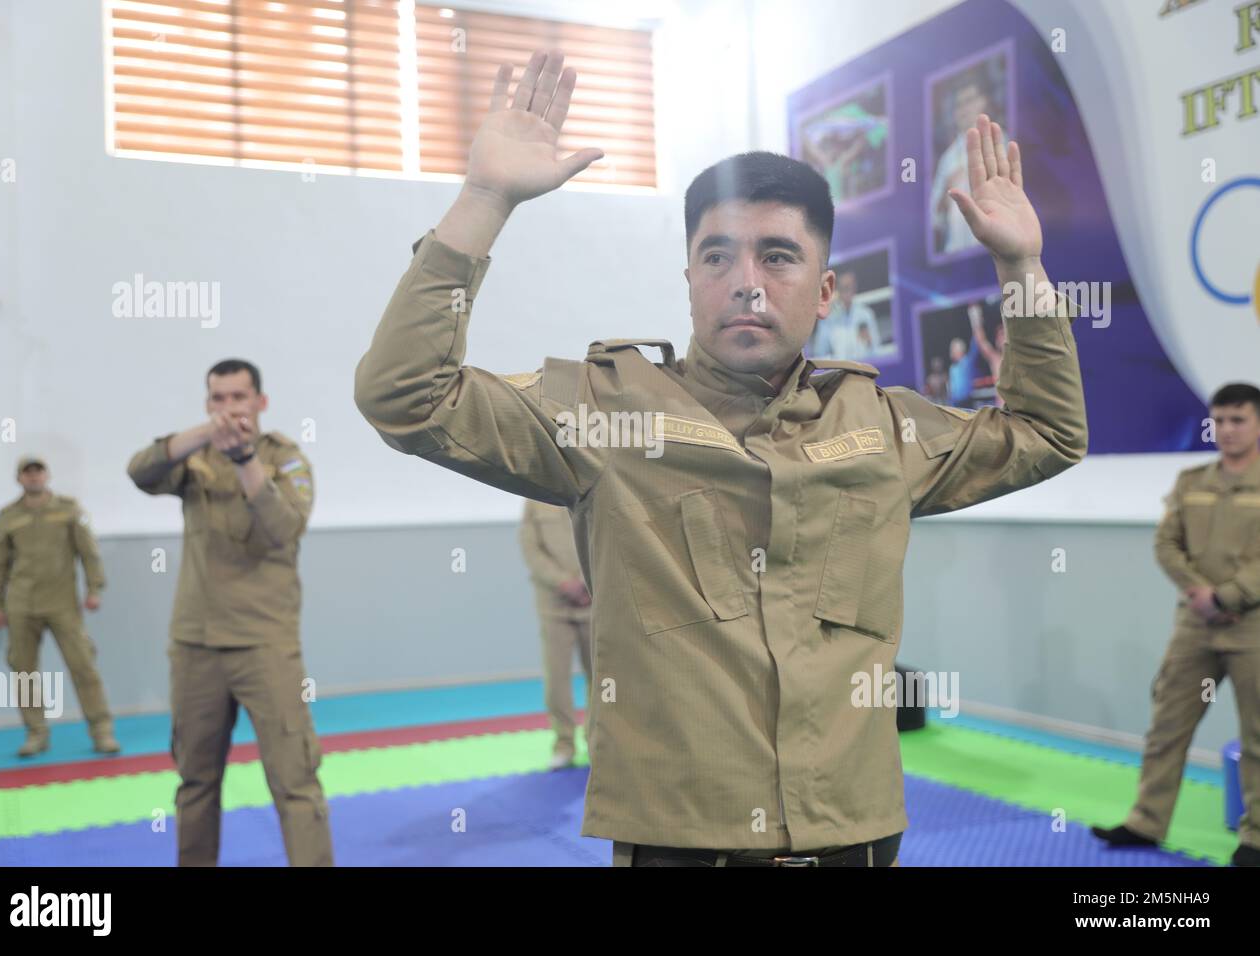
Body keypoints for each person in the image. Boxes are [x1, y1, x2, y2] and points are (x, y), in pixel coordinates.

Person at [354, 49, 1087, 867]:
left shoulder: (883, 427)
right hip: (679, 842)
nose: (746, 283)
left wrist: (1021, 267)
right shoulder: (602, 412)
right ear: (690, 279)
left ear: (825, 289)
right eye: (717, 257)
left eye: (777, 256)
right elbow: (405, 396)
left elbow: (1047, 434)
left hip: (855, 834)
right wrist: (484, 201)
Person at [127, 359, 333, 867]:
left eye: (238, 398)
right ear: (207, 404)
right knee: (195, 782)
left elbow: (284, 529)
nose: (228, 408)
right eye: (217, 399)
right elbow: (140, 471)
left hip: (266, 644)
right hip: (196, 643)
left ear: (260, 402)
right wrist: (206, 436)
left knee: (295, 781)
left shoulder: (285, 459)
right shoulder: (193, 461)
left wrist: (245, 460)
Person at [1092, 383, 1260, 868]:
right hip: (1195, 626)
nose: (1226, 429)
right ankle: (1146, 822)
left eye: (1237, 419)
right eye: (1219, 420)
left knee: (1258, 734)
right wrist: (1199, 595)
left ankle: (1256, 839)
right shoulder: (1191, 481)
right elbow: (1167, 545)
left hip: (1252, 627)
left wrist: (1227, 597)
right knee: (1166, 724)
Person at [0, 456, 119, 757]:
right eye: (27, 473)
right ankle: (36, 734)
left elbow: (89, 552)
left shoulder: (68, 510)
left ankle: (102, 731)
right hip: (21, 605)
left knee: (83, 666)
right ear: (19, 478)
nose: (33, 477)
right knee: (24, 672)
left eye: (38, 471)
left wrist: (95, 588)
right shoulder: (8, 516)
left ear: (47, 475)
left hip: (63, 604)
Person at [518, 499, 592, 769]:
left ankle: (597, 743)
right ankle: (564, 745)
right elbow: (530, 547)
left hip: (594, 601)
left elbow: (606, 541)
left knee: (601, 679)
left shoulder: (591, 487)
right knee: (556, 678)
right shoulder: (534, 499)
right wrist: (562, 582)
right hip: (553, 604)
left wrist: (585, 582)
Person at [929, 76, 994, 256]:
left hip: (992, 252)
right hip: (956, 255)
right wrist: (947, 192)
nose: (963, 109)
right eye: (959, 104)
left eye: (969, 100)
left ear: (983, 102)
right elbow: (934, 218)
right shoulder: (947, 160)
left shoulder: (1001, 143)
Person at [805, 271, 880, 361]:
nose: (847, 292)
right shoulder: (828, 317)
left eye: (849, 287)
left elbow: (876, 349)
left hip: (863, 368)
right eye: (844, 288)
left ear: (854, 288)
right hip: (839, 370)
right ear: (837, 290)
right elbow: (820, 351)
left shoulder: (866, 314)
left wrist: (868, 343)